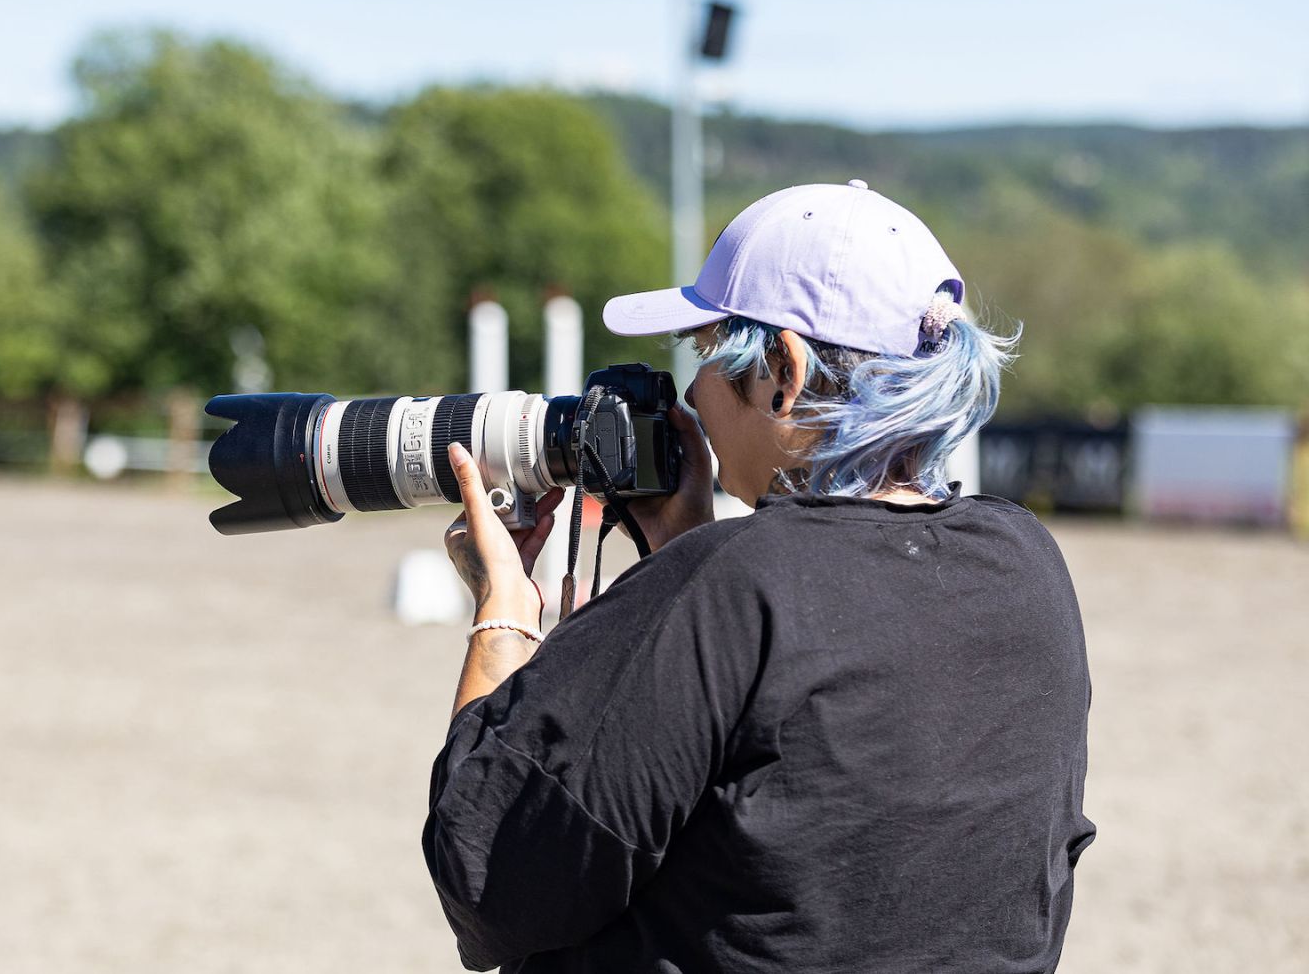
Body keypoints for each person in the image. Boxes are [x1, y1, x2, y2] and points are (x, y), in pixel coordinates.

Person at [423, 180, 1095, 974]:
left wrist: (505, 613)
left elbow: (492, 885)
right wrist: (684, 544)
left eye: (708, 353)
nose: (694, 392)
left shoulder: (730, 588)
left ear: (784, 369)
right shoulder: (1024, 560)